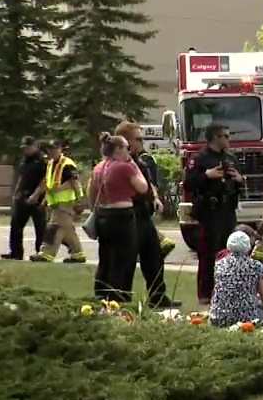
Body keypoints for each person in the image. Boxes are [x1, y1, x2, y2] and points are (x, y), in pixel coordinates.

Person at [116, 121, 179, 308]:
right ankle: (122, 298)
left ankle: (158, 297)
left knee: (154, 256)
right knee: (126, 260)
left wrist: (155, 198)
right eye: (138, 139)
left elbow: (148, 184)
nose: (141, 142)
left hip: (143, 215)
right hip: (128, 216)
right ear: (125, 140)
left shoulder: (140, 161)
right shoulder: (119, 163)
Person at [184, 122, 244, 304]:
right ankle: (206, 293)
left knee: (230, 252)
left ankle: (228, 291)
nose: (229, 139)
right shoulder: (200, 159)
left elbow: (238, 182)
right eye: (225, 136)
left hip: (227, 210)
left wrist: (239, 180)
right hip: (209, 212)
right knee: (209, 254)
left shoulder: (230, 158)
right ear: (215, 137)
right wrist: (206, 176)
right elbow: (189, 184)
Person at [89, 134, 150, 303]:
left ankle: (101, 292)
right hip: (122, 215)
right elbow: (142, 187)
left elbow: (91, 192)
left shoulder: (99, 167)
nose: (128, 152)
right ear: (118, 149)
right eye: (126, 148)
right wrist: (133, 165)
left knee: (106, 255)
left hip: (103, 214)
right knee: (124, 256)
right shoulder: (125, 167)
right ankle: (119, 294)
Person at [208, 230, 263, 327]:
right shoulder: (255, 266)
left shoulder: (219, 264)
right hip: (246, 318)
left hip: (218, 317)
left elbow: (218, 290)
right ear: (248, 247)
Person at [28, 139, 86, 264]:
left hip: (66, 203)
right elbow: (48, 184)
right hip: (55, 204)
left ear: (60, 149)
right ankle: (78, 254)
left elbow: (75, 183)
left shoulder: (67, 164)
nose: (51, 151)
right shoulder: (51, 163)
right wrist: (43, 200)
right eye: (49, 149)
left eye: (54, 149)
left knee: (53, 228)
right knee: (67, 230)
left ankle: (46, 254)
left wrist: (79, 202)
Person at [3, 137, 47, 261]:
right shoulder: (25, 161)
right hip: (23, 196)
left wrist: (36, 195)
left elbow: (45, 180)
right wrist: (16, 193)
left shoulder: (42, 161)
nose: (26, 150)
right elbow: (22, 177)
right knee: (16, 225)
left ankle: (41, 252)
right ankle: (16, 252)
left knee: (40, 226)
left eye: (28, 147)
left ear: (35, 146)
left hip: (37, 198)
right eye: (24, 148)